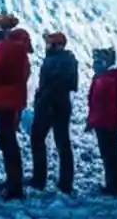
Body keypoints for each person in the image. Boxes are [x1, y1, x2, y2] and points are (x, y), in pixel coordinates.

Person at [0, 15, 32, 200]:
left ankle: (15, 187)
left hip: (3, 100)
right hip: (9, 99)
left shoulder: (7, 47)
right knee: (8, 140)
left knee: (7, 141)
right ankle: (13, 182)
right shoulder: (16, 47)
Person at [29, 32, 78, 194]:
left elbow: (58, 84)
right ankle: (63, 182)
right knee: (60, 142)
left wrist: (44, 99)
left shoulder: (60, 60)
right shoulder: (64, 59)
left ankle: (41, 179)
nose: (47, 46)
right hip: (56, 104)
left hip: (53, 105)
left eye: (50, 43)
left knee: (46, 140)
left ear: (58, 45)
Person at [85, 47, 117, 195]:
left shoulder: (108, 79)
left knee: (111, 155)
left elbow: (103, 104)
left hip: (107, 123)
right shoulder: (102, 78)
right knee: (110, 154)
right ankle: (115, 184)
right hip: (103, 122)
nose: (95, 65)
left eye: (99, 62)